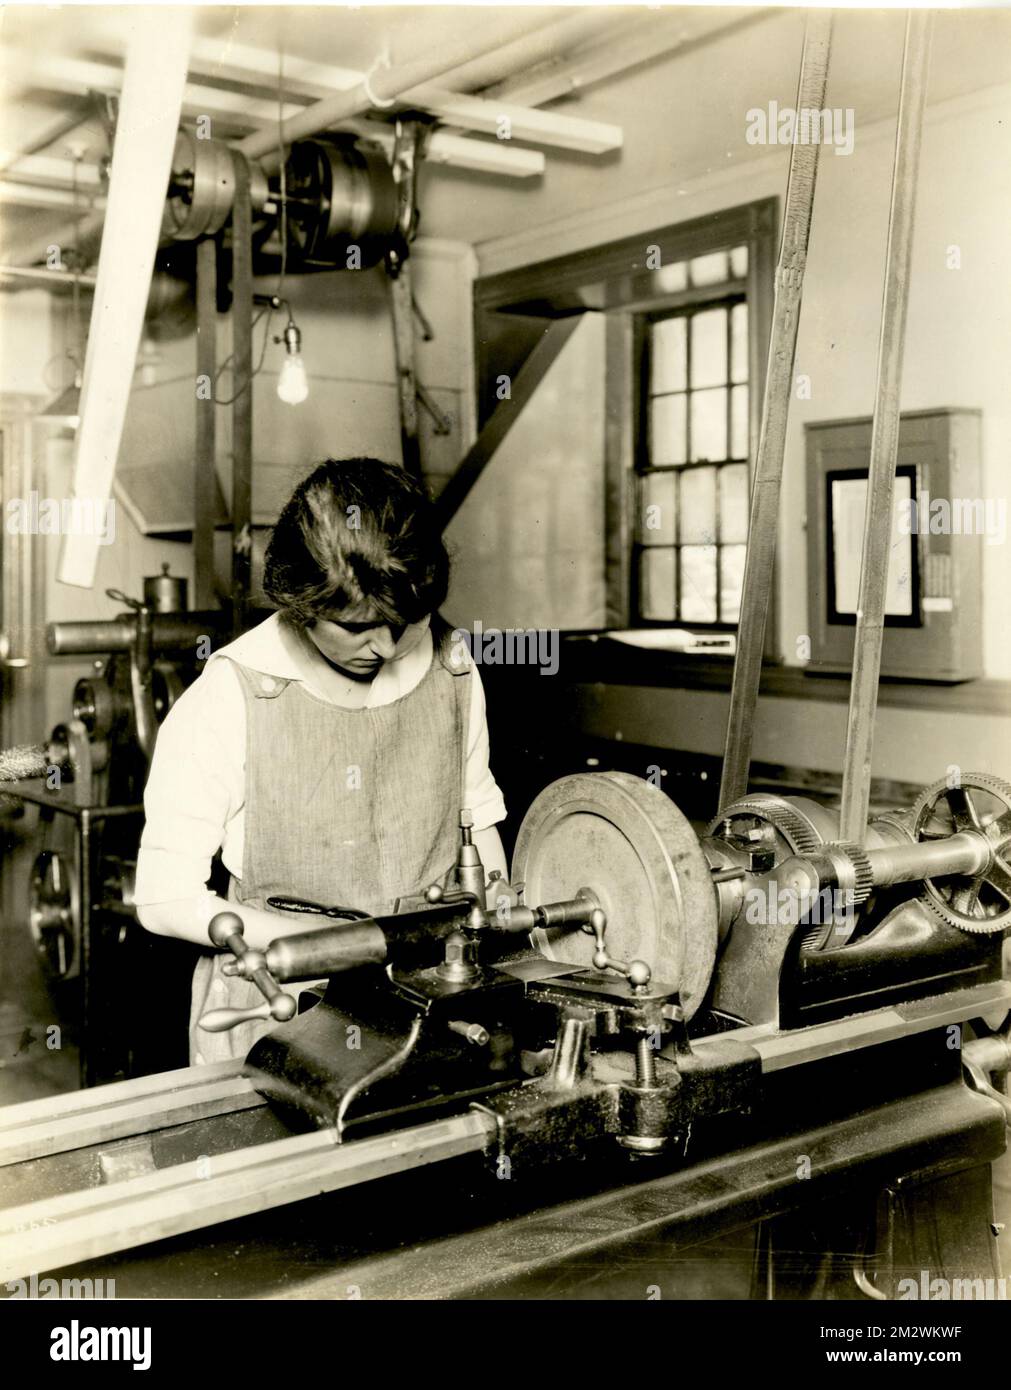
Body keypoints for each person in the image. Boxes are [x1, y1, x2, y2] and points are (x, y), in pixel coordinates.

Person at [134, 457, 507, 1063]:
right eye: (358, 625)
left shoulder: (451, 666)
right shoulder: (235, 694)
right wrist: (339, 946)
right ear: (300, 602)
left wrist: (498, 933)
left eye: (403, 622)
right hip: (281, 1002)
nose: (385, 648)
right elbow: (162, 897)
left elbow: (477, 818)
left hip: (432, 996)